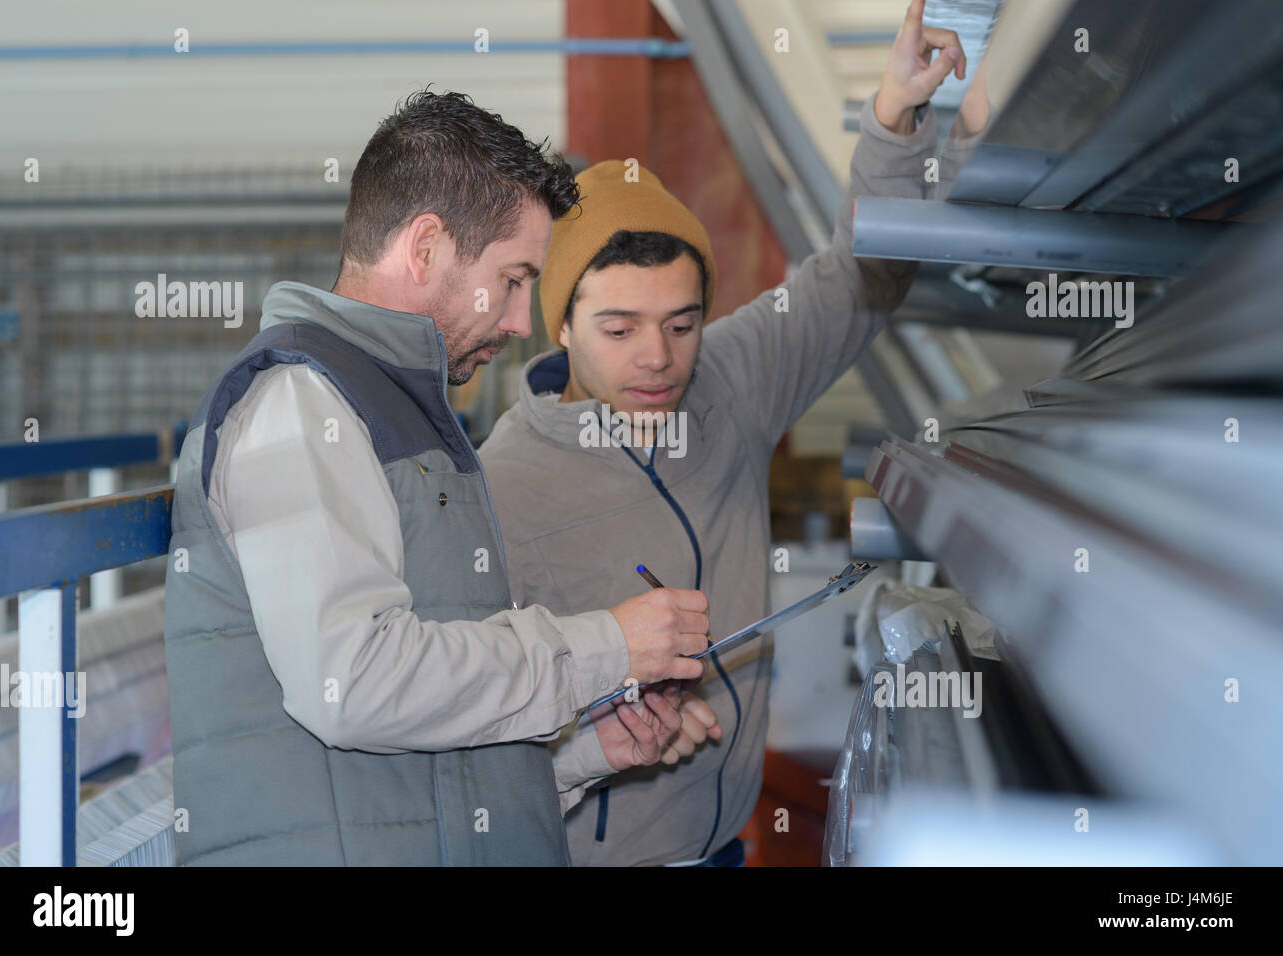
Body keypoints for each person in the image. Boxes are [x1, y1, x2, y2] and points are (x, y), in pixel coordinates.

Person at [478, 0, 987, 866]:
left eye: (682, 323)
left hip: (726, 845)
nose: (657, 359)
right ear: (559, 326)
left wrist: (894, 120)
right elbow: (466, 731)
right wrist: (592, 744)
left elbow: (857, 280)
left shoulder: (729, 381)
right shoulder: (501, 487)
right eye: (620, 328)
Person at [163, 89, 713, 866]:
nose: (523, 321)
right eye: (514, 278)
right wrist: (604, 648)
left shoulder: (409, 415)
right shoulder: (299, 403)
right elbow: (353, 685)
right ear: (425, 248)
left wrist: (587, 754)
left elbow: (426, 764)